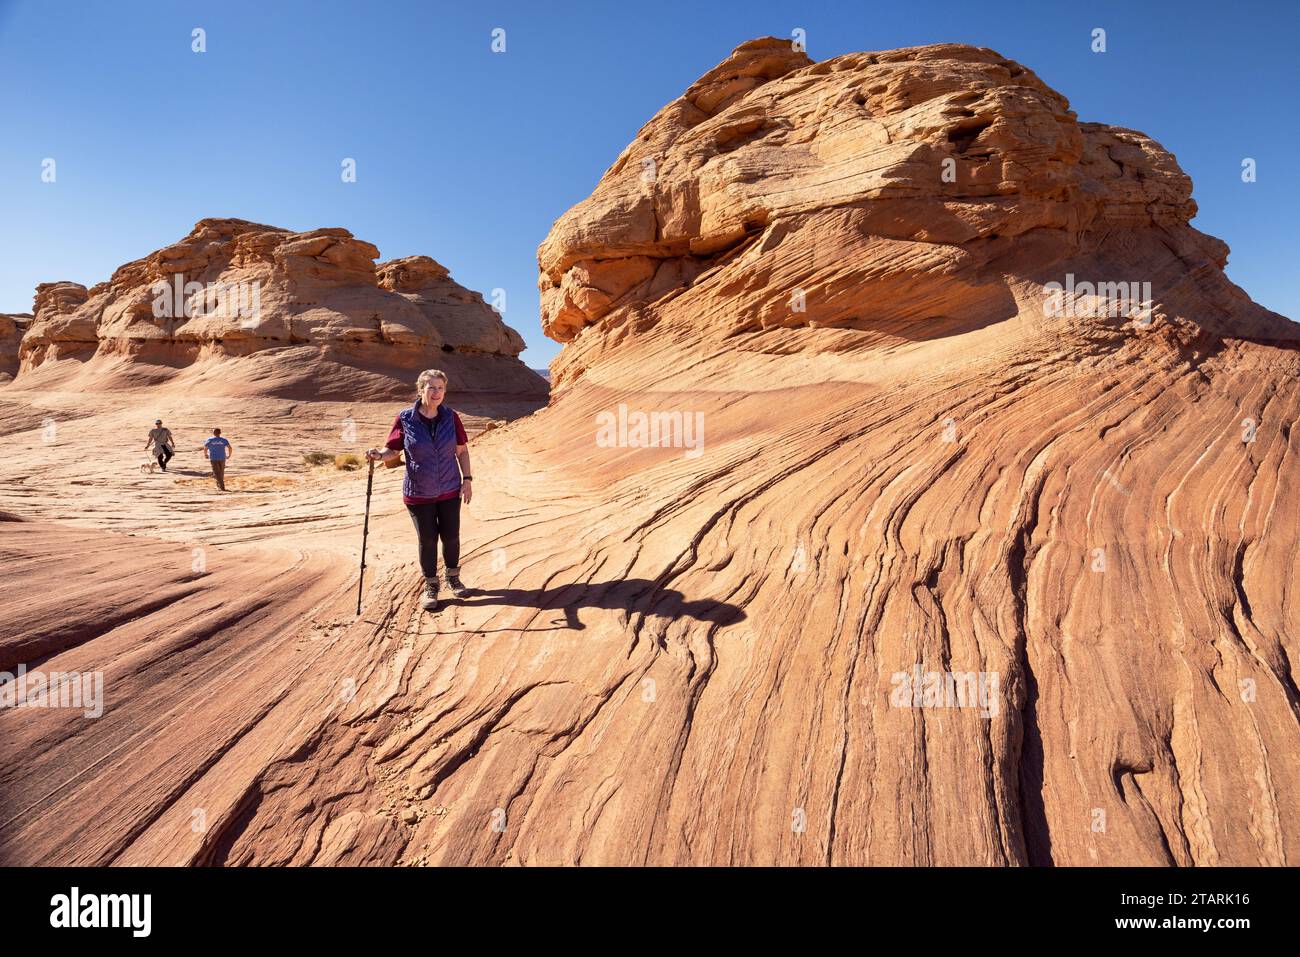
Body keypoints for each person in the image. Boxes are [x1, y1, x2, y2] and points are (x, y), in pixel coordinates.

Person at [366, 369, 472, 611]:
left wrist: (467, 479)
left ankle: (453, 578)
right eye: (431, 387)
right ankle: (431, 585)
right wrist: (378, 455)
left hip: (448, 488)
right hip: (418, 492)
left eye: (441, 388)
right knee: (427, 538)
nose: (436, 393)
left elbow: (462, 451)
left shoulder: (451, 417)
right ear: (420, 390)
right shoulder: (405, 418)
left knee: (451, 535)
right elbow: (392, 450)